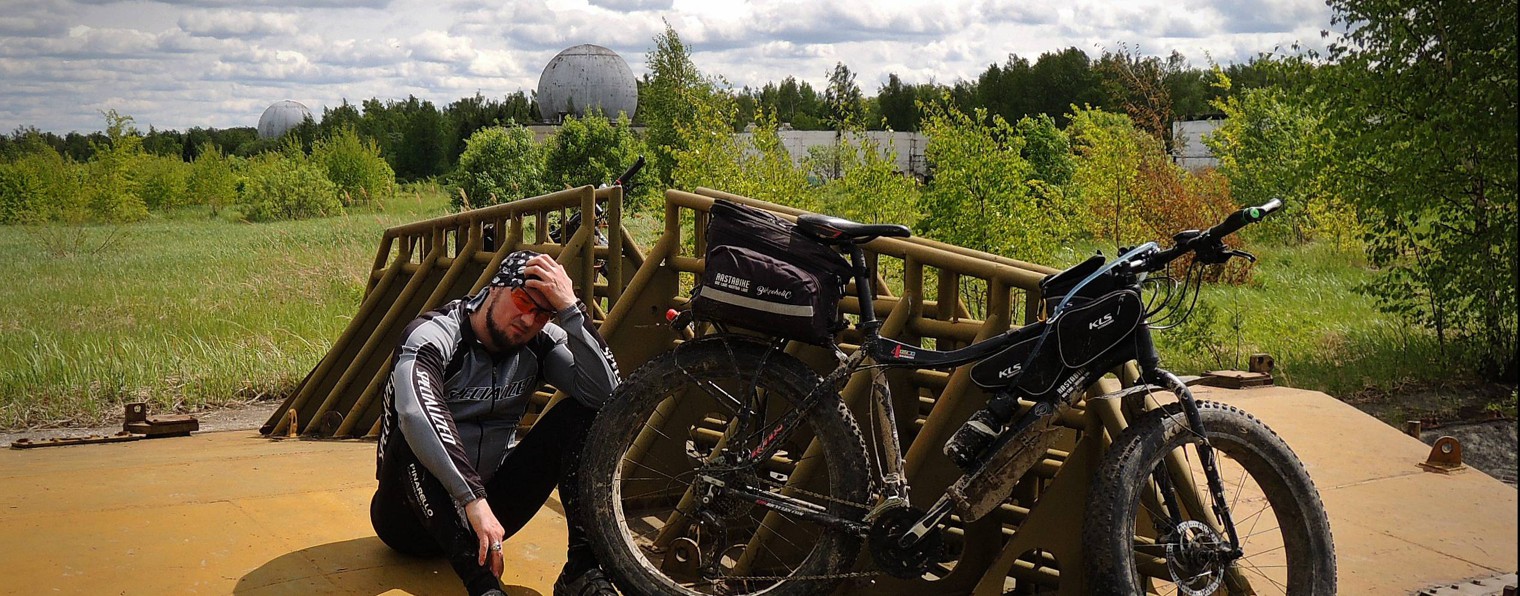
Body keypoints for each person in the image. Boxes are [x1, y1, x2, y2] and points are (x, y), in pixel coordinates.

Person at [369, 250, 621, 596]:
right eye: (522, 300)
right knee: (409, 433)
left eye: (543, 314)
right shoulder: (433, 336)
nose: (529, 320)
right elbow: (414, 414)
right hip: (408, 520)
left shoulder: (540, 342)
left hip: (490, 516)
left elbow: (609, 398)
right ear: (493, 289)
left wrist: (571, 310)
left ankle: (581, 571)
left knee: (585, 415)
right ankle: (485, 588)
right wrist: (472, 499)